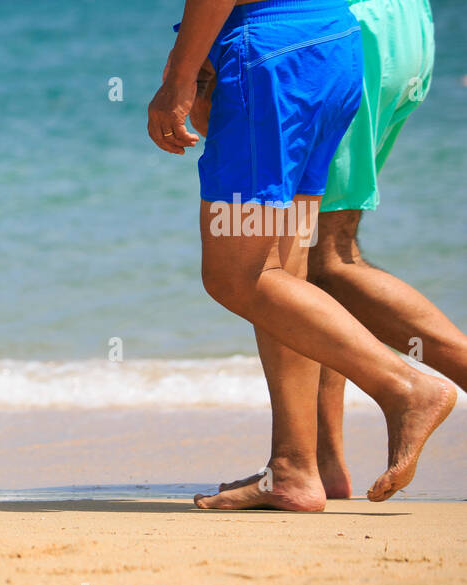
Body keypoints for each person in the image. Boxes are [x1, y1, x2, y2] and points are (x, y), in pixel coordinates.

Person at [146, 0, 456, 511]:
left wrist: (180, 77)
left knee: (236, 277)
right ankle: (294, 468)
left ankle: (404, 388)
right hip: (330, 43)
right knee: (286, 272)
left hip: (270, 58)